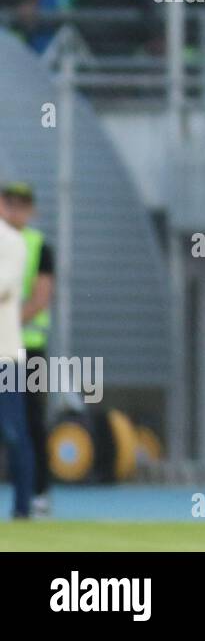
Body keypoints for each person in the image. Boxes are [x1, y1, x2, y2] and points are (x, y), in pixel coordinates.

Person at [1, 183, 53, 517]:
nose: (15, 211)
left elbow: (35, 296)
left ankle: (34, 499)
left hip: (15, 352)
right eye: (10, 204)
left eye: (22, 206)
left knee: (22, 428)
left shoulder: (25, 244)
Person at [0, 198, 33, 521]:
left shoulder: (13, 243)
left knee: (13, 430)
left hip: (5, 356)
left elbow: (5, 286)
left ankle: (23, 508)